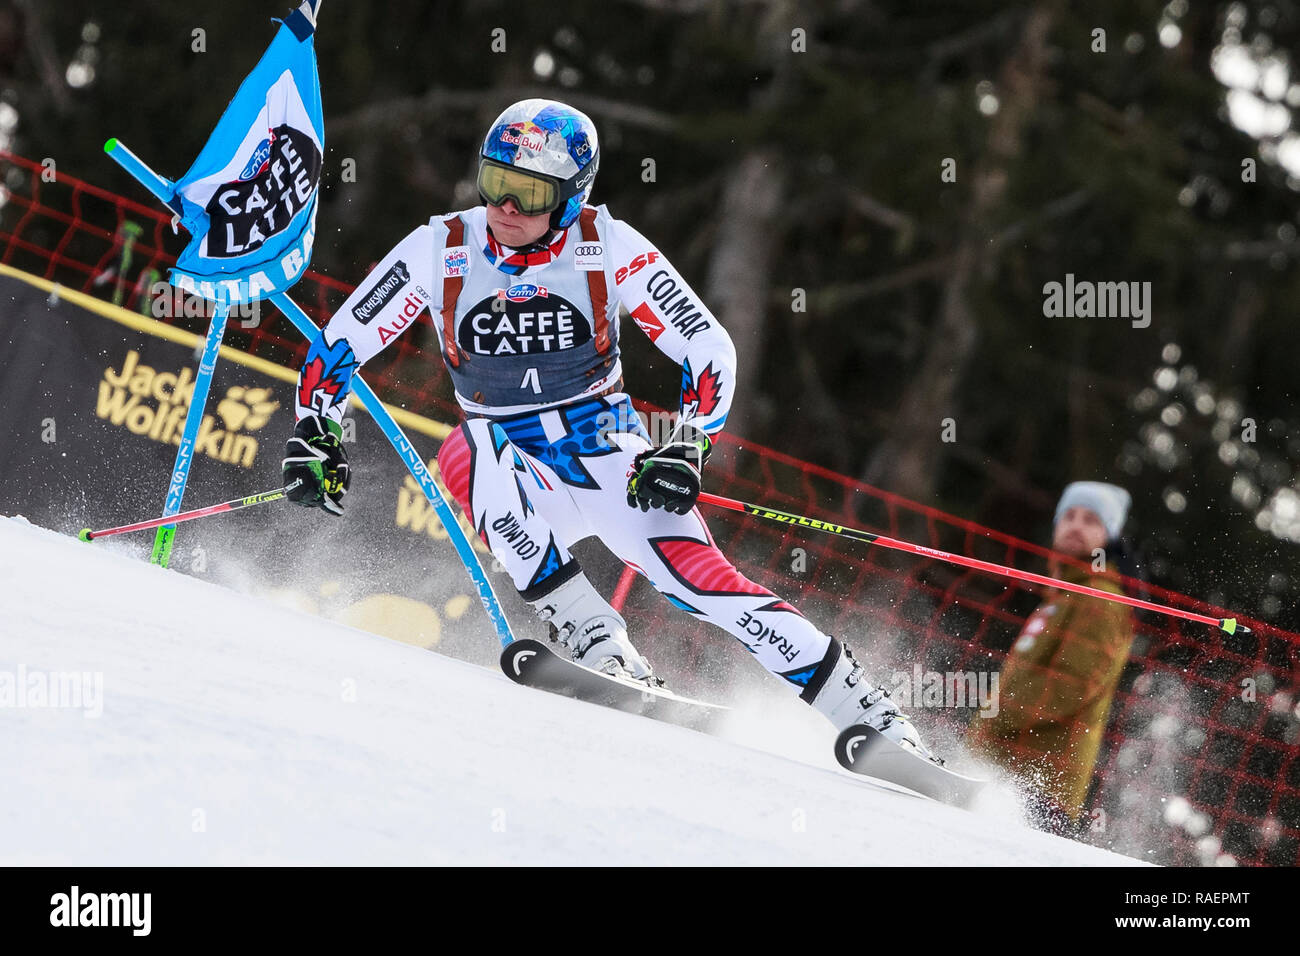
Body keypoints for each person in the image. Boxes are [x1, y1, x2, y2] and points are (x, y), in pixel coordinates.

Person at [282, 98, 940, 760]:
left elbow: (707, 346)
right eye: (495, 181)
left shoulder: (606, 244)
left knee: (697, 581)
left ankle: (872, 714)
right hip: (513, 467)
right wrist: (317, 430)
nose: (505, 206)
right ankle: (598, 640)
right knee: (466, 447)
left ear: (571, 196)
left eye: (530, 193)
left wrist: (688, 444)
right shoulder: (441, 248)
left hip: (604, 449)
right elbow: (340, 345)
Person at [967, 481, 1137, 830]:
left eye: (1091, 520)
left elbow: (1072, 685)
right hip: (1002, 775)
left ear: (1109, 537)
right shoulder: (1062, 595)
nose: (1076, 526)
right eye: (1069, 516)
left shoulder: (1100, 599)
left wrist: (992, 719)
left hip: (1041, 793)